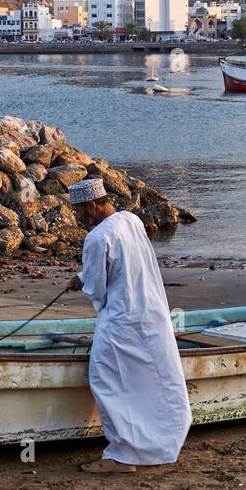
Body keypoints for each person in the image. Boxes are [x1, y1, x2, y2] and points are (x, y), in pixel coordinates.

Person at [66, 178, 191, 474]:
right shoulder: (131, 220)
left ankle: (122, 455)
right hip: (149, 312)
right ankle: (157, 443)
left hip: (121, 319)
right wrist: (83, 275)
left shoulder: (96, 238)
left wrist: (86, 281)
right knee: (152, 377)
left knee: (104, 378)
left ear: (92, 205)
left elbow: (98, 287)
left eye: (80, 211)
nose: (78, 217)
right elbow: (124, 261)